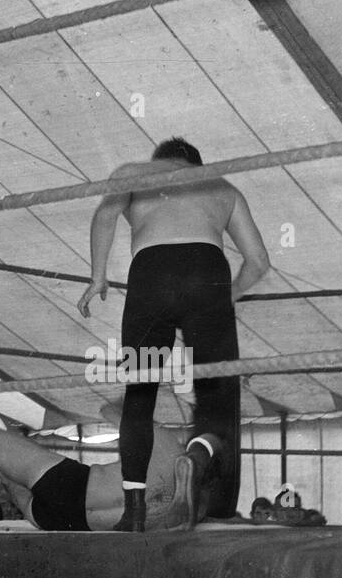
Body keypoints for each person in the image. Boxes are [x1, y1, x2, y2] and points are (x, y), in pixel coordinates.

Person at [79, 137, 271, 531]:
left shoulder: (132, 173)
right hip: (208, 273)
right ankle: (197, 464)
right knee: (215, 395)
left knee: (140, 394)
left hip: (151, 275)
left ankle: (134, 511)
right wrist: (225, 297)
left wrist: (98, 275)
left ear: (160, 159)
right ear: (195, 163)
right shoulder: (221, 186)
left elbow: (104, 217)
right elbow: (257, 262)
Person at [0, 421, 223, 532]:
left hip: (63, 506)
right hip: (88, 521)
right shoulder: (186, 499)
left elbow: (118, 410)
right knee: (4, 477)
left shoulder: (163, 442)